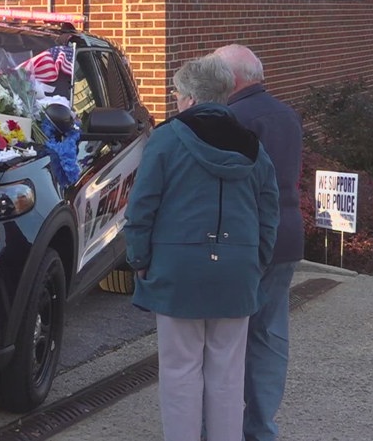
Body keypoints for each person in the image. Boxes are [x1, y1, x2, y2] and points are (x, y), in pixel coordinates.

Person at [124, 55, 279, 441]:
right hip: (237, 268)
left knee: (180, 370)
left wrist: (139, 258)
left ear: (190, 98)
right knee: (228, 374)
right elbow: (268, 210)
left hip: (177, 269)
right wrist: (258, 258)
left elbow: (142, 206)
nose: (176, 100)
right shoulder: (252, 146)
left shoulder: (166, 139)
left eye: (177, 94)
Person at [213, 44, 304, 441]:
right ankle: (262, 428)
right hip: (287, 236)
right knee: (269, 336)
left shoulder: (231, 119)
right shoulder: (287, 116)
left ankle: (219, 428)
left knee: (224, 341)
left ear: (231, 79)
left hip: (245, 241)